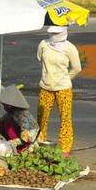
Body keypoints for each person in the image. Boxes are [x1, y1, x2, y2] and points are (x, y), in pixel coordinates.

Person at [36, 24, 82, 156]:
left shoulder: (70, 48)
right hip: (45, 86)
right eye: (52, 33)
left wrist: (65, 78)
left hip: (63, 88)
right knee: (42, 117)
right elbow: (40, 58)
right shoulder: (43, 44)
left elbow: (76, 68)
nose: (53, 36)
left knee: (65, 118)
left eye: (56, 34)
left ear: (64, 33)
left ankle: (65, 148)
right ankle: (40, 141)